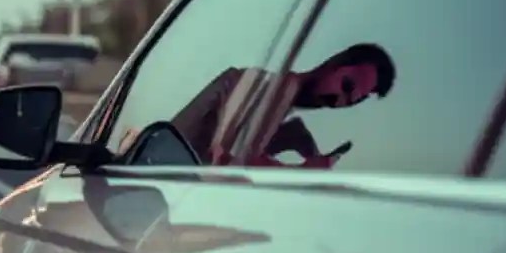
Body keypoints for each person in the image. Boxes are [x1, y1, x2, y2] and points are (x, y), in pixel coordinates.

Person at [162, 43, 396, 168]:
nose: (338, 100)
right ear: (335, 62)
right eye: (345, 85)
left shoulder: (287, 115)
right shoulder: (276, 88)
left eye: (350, 102)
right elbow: (225, 164)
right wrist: (303, 175)